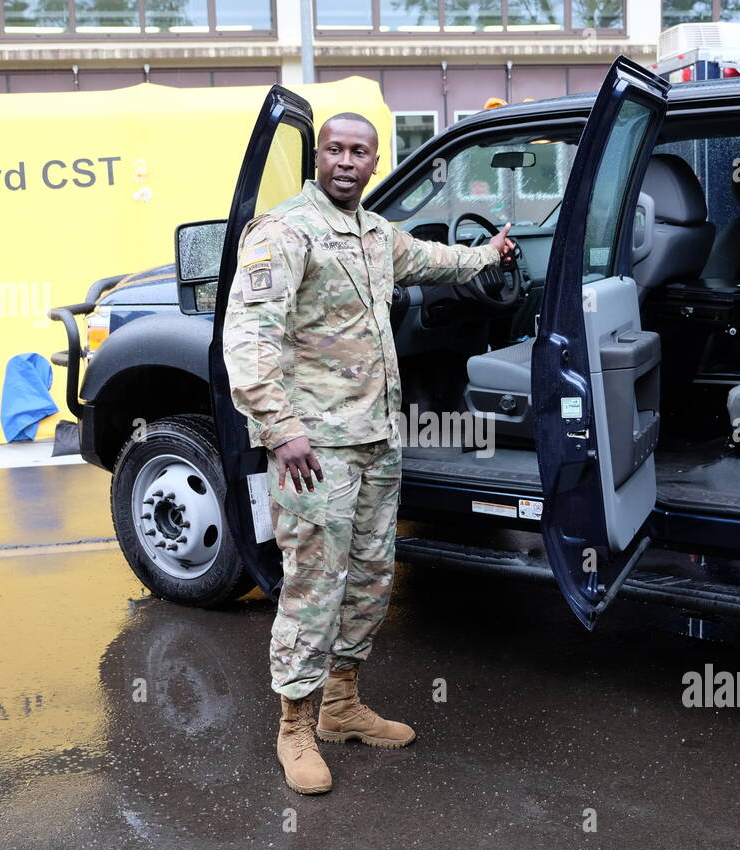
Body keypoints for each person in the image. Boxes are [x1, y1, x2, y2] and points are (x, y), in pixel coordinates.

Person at [221, 112, 518, 794]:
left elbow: (434, 260)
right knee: (312, 587)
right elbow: (248, 342)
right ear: (318, 156)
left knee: (368, 579)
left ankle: (342, 705)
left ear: (375, 161)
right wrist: (280, 427)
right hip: (313, 449)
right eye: (336, 149)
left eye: (360, 152)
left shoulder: (373, 232)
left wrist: (489, 253)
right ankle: (293, 726)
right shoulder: (286, 231)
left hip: (378, 441)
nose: (347, 161)